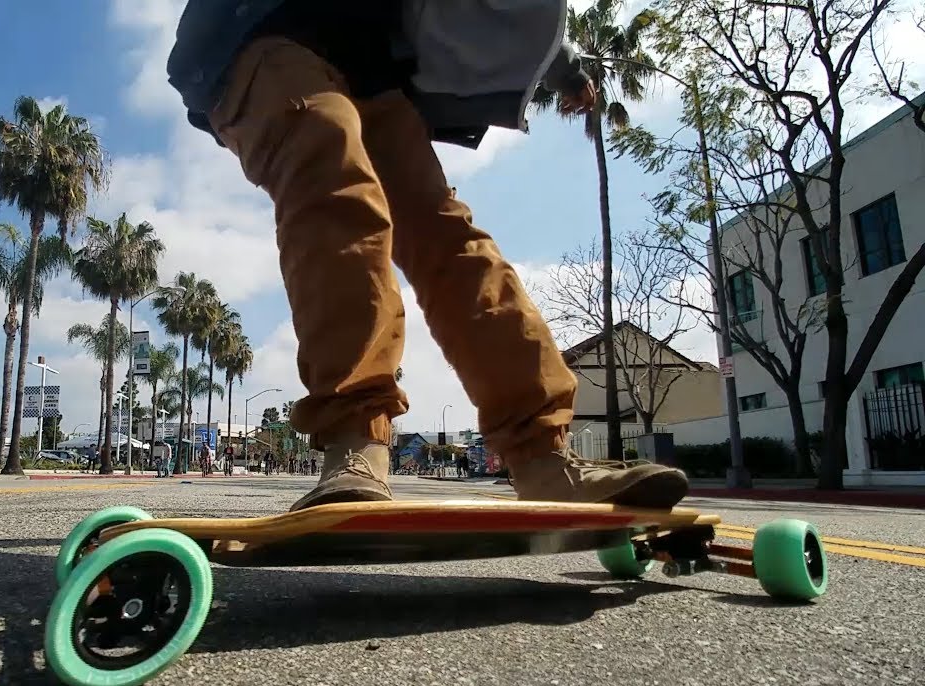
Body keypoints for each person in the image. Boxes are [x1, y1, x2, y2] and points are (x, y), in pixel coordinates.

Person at [165, 1, 689, 512]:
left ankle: (542, 454)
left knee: (444, 232)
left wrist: (562, 61)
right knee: (331, 176)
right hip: (257, 34)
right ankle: (355, 438)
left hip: (370, 58)